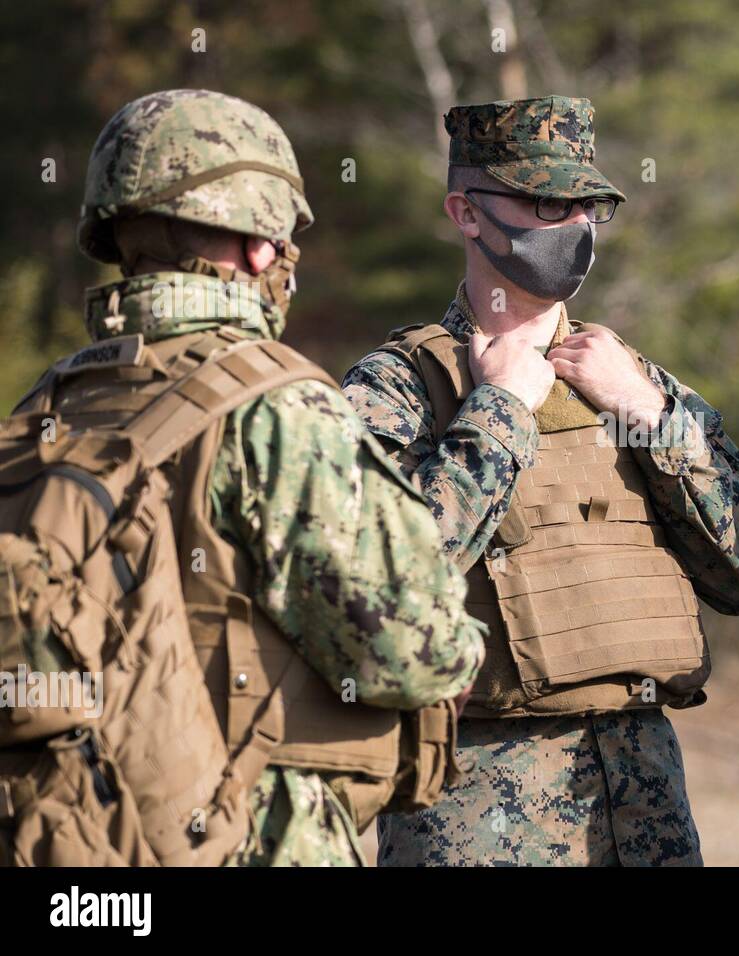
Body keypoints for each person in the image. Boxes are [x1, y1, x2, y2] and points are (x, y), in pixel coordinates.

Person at [16, 88, 485, 866]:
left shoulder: (46, 405)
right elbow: (414, 648)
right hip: (252, 838)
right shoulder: (279, 407)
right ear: (263, 245)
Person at [343, 94, 739, 866]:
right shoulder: (398, 389)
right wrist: (498, 410)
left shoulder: (634, 382)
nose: (575, 227)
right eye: (547, 202)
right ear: (467, 213)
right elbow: (379, 580)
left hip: (643, 795)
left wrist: (652, 417)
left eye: (589, 206)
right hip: (472, 807)